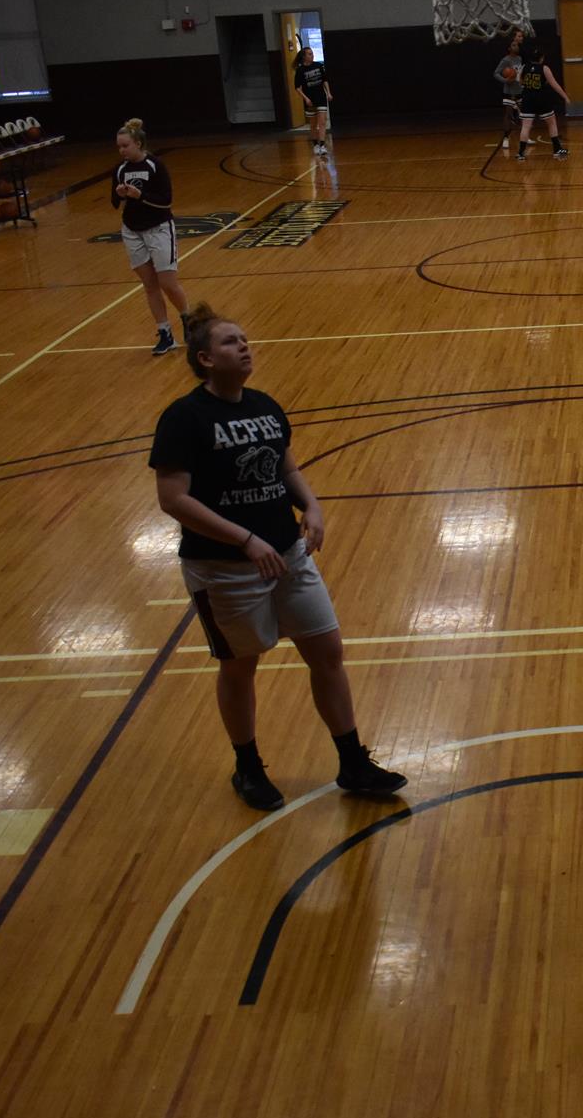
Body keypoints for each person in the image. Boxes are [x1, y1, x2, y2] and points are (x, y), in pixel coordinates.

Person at [149, 303, 407, 811]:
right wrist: (245, 540)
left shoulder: (264, 405)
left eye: (244, 339)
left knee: (328, 653)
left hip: (289, 556)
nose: (243, 346)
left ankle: (352, 762)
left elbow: (286, 470)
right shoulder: (184, 417)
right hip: (224, 570)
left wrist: (311, 505)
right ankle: (247, 767)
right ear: (204, 358)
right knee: (241, 667)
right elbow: (172, 498)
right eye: (230, 342)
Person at [111, 118, 190, 356]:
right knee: (149, 285)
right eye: (119, 147)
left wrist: (140, 195)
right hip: (133, 231)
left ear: (137, 143)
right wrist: (120, 194)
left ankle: (187, 318)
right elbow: (115, 203)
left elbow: (166, 201)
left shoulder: (155, 165)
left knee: (167, 282)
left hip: (158, 228)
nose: (121, 150)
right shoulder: (120, 170)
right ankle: (165, 332)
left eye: (125, 146)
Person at [514, 41, 570, 162]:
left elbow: (520, 83)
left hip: (528, 98)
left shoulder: (524, 67)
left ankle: (520, 153)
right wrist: (565, 96)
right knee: (551, 123)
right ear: (542, 58)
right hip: (541, 98)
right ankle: (556, 150)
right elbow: (554, 85)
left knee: (526, 126)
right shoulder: (544, 68)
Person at [293, 46, 332, 156]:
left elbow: (325, 80)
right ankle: (315, 145)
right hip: (310, 100)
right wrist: (305, 98)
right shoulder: (300, 70)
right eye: (309, 54)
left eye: (312, 53)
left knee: (322, 122)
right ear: (304, 57)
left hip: (321, 98)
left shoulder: (319, 66)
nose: (312, 55)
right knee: (313, 125)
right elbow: (297, 87)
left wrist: (328, 93)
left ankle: (323, 145)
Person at [493, 28, 524, 152]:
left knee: (523, 115)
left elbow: (521, 74)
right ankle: (506, 137)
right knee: (508, 115)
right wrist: (506, 80)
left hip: (519, 90)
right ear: (509, 48)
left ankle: (524, 137)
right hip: (509, 91)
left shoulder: (520, 59)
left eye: (517, 45)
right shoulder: (506, 60)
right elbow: (495, 73)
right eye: (514, 45)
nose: (516, 47)